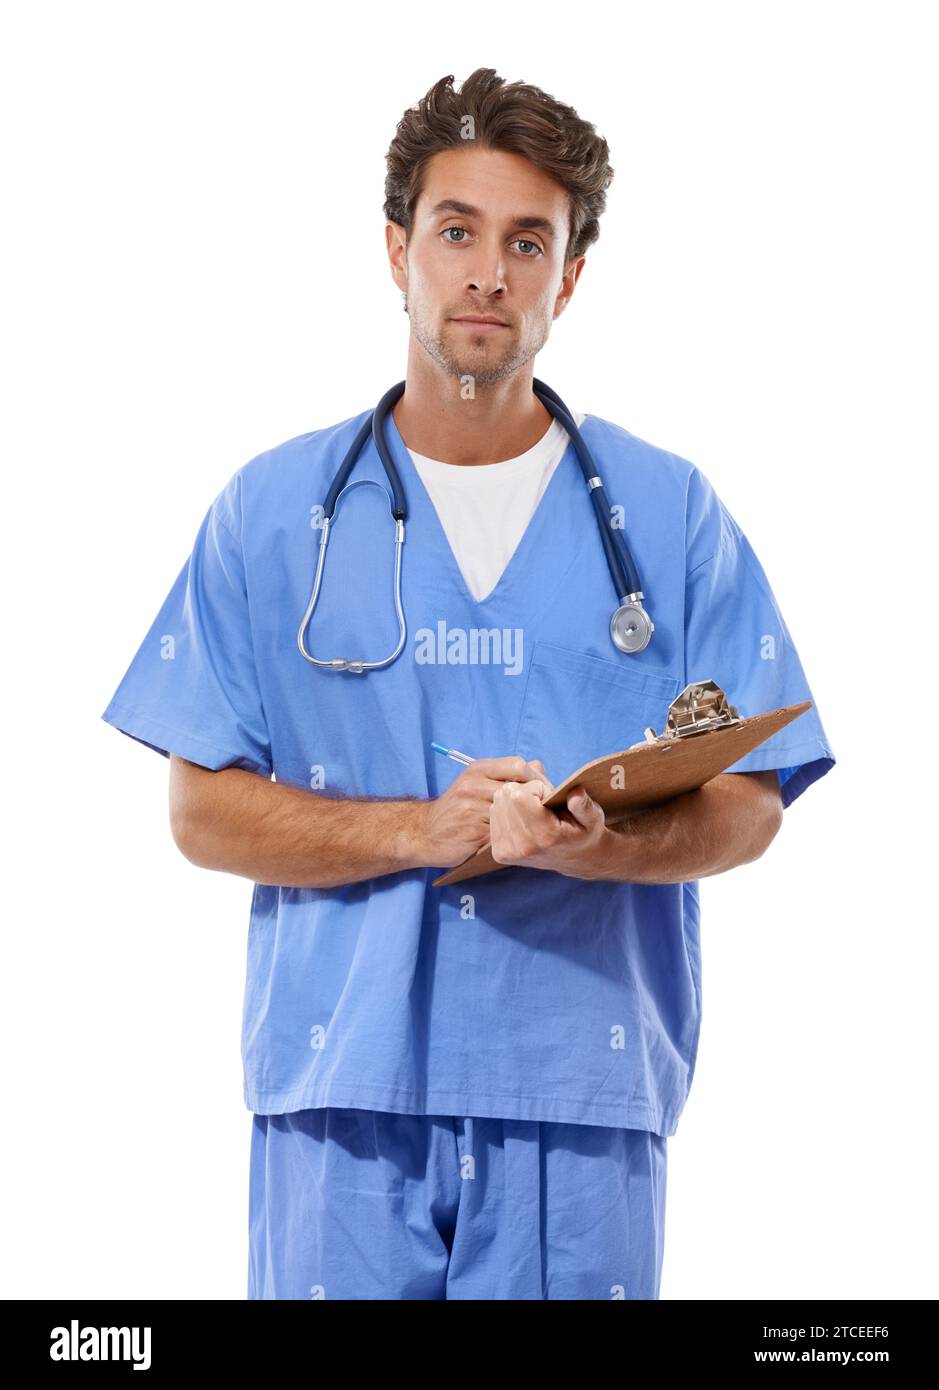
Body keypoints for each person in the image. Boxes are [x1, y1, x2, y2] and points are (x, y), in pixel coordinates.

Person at [101, 67, 836, 1301]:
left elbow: (753, 801)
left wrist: (601, 851)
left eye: (527, 240)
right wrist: (428, 828)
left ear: (571, 275)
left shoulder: (670, 514)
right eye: (456, 232)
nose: (488, 272)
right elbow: (199, 809)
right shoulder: (277, 516)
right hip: (340, 1105)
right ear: (398, 251)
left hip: (579, 1100)